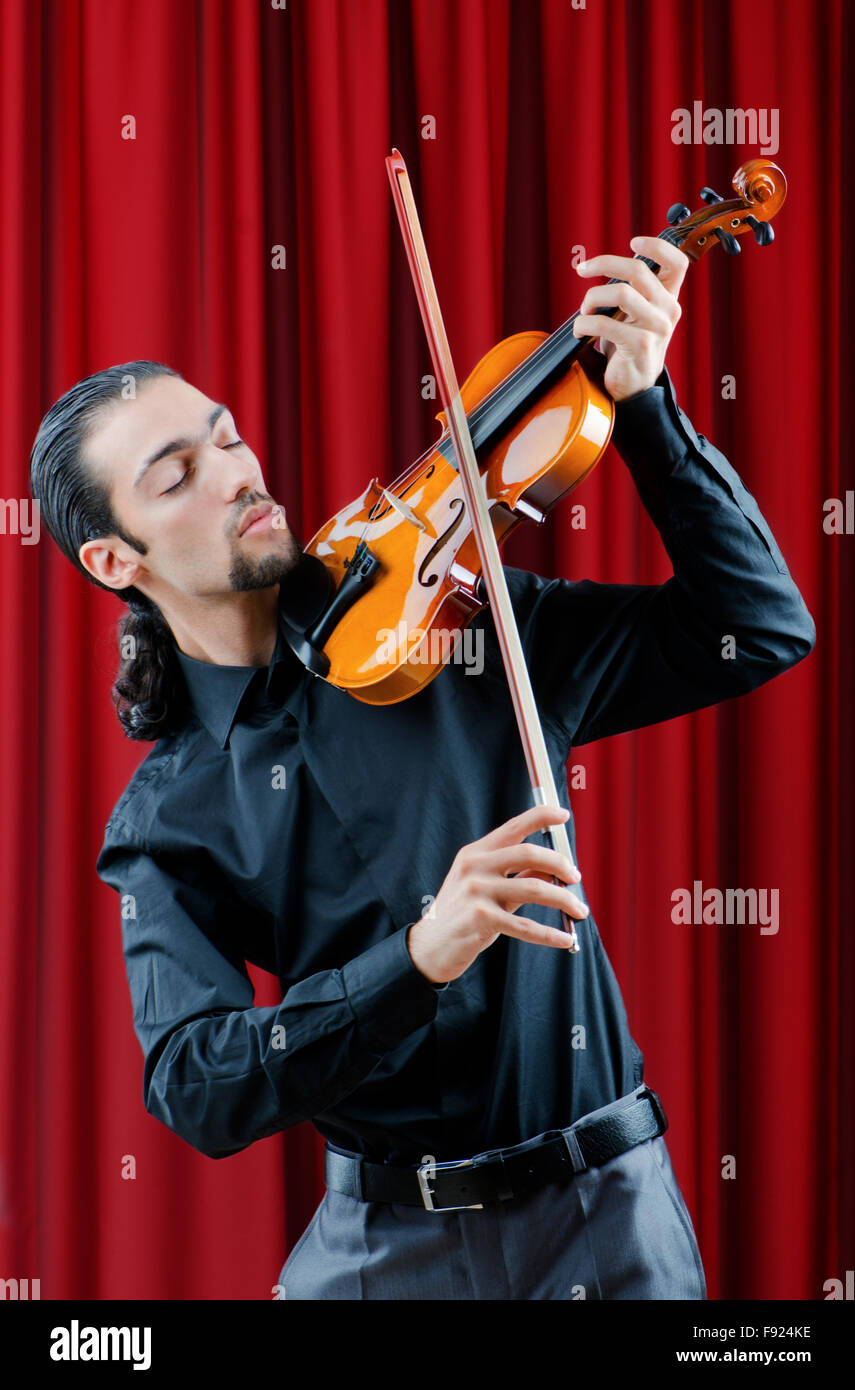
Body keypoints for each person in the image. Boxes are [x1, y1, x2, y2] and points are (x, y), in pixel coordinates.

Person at [29, 237, 815, 1300]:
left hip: (607, 1220)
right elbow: (196, 1083)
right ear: (117, 562)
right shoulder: (168, 817)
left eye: (227, 439)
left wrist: (645, 411)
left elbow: (756, 625)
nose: (239, 475)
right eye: (178, 476)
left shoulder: (466, 619)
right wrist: (418, 958)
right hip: (386, 1253)